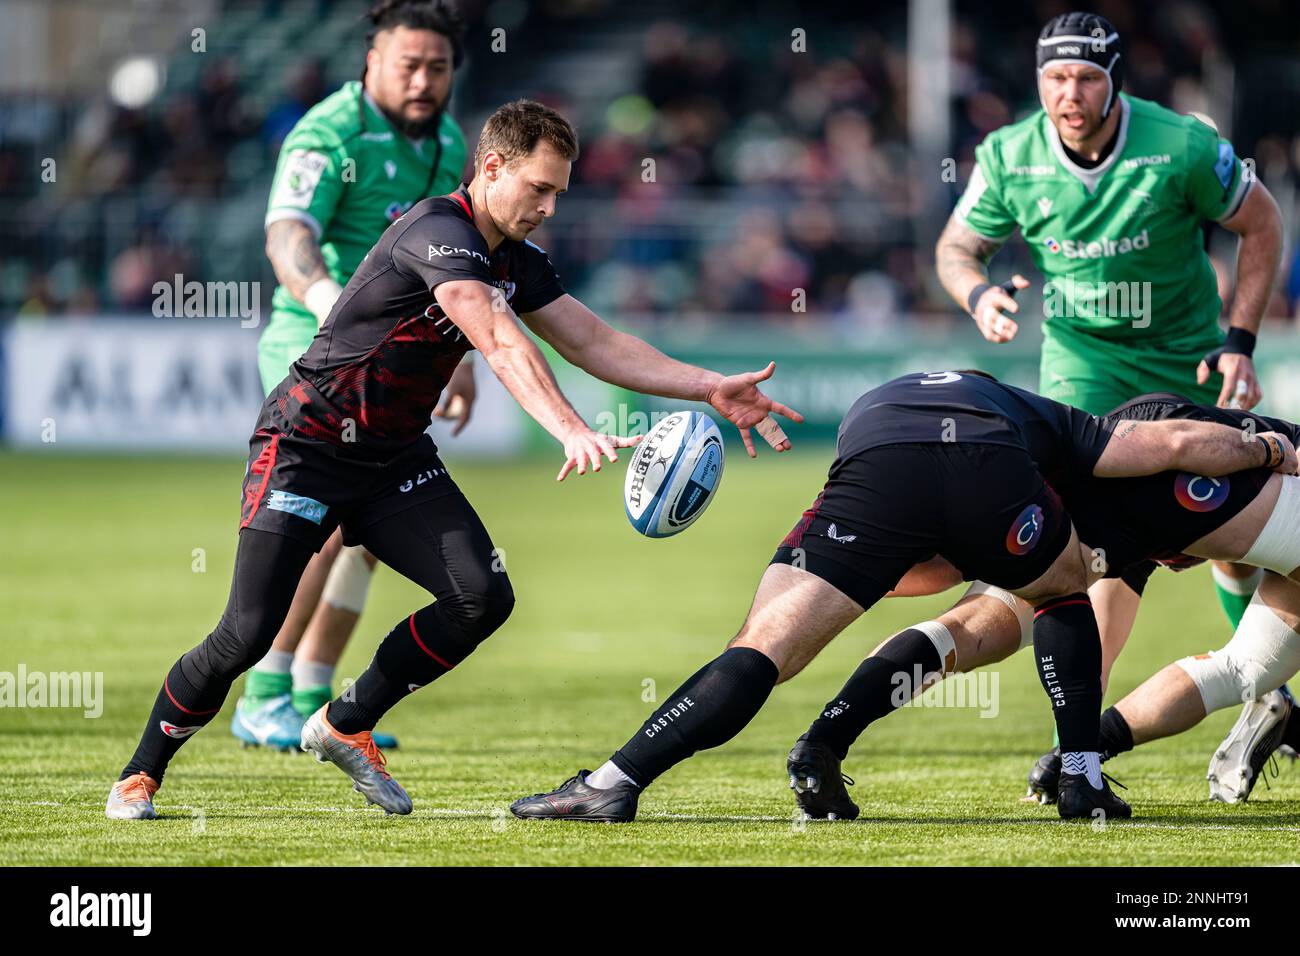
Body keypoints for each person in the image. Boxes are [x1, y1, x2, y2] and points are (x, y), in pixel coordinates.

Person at [105, 99, 801, 820]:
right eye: (539, 187)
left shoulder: (516, 262)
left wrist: (708, 386)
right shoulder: (437, 230)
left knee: (481, 596)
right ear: (491, 167)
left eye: (560, 192)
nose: (550, 206)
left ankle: (346, 722)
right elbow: (496, 337)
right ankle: (140, 773)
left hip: (393, 459)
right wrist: (567, 425)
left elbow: (595, 342)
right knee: (245, 633)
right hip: (306, 445)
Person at [509, 371, 1293, 822]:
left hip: (877, 456)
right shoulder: (1076, 434)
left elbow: (918, 575)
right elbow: (1178, 442)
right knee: (1064, 598)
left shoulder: (984, 414)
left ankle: (619, 783)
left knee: (764, 646)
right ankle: (1082, 772)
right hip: (1003, 464)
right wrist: (1267, 447)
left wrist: (844, 579)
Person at [933, 10, 1285, 761]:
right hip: (1081, 370)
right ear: (1038, 81)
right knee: (1098, 547)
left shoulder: (1183, 145)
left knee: (1233, 544)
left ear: (1114, 80)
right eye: (1056, 77)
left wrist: (1241, 343)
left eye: (1088, 76)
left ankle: (1269, 692)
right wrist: (976, 293)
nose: (1070, 92)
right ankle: (1080, 740)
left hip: (1188, 361)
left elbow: (1264, 224)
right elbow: (959, 246)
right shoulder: (1008, 154)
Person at [784, 391, 1300, 819]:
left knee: (976, 625)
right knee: (1244, 665)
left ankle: (824, 740)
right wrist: (1268, 454)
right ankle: (1080, 765)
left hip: (1130, 442)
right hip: (1201, 461)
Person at [238, 0, 472, 752]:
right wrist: (326, 305)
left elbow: (455, 263)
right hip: (311, 353)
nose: (423, 80)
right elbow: (288, 233)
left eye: (437, 67)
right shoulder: (328, 133)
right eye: (408, 64)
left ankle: (311, 685)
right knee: (327, 521)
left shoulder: (448, 142)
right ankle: (263, 691)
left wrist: (459, 358)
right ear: (371, 61)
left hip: (394, 364)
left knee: (370, 533)